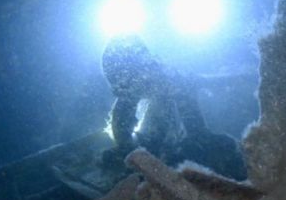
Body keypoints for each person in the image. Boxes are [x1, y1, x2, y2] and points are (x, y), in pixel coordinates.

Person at [100, 35, 247, 179]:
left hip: (176, 151)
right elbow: (123, 126)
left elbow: (197, 132)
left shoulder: (173, 82)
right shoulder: (136, 90)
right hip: (158, 153)